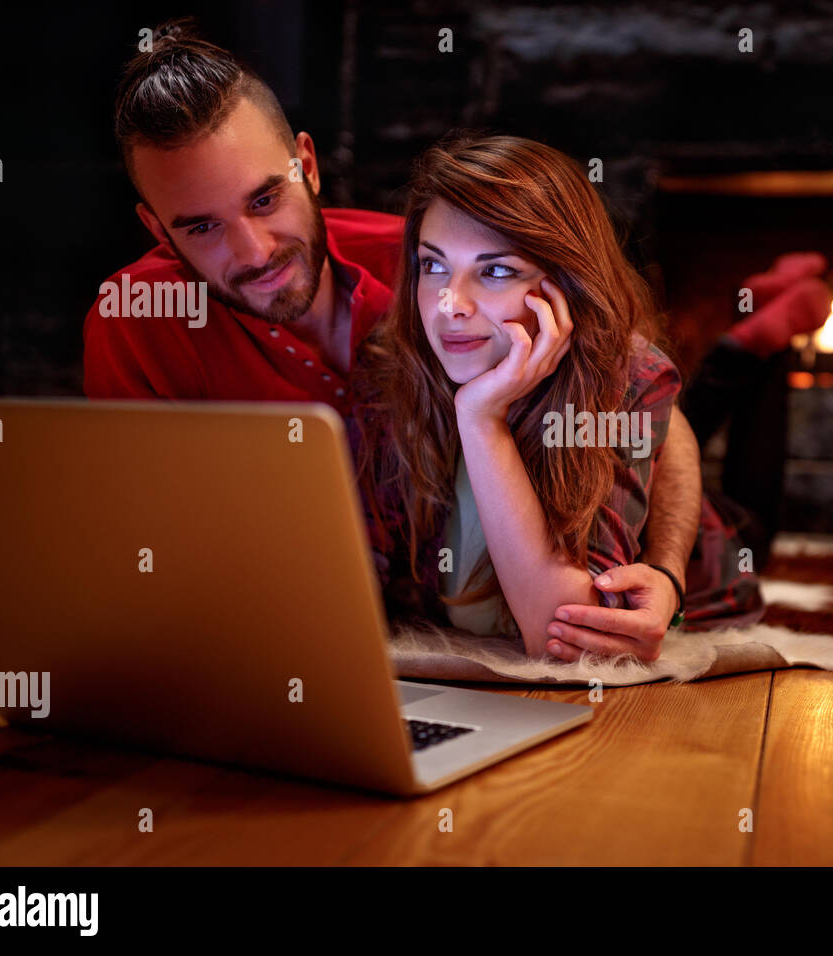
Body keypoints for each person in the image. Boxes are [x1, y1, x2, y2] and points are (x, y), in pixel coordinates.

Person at [82, 19, 701, 659]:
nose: (255, 251)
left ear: (307, 165)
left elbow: (634, 381)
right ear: (157, 228)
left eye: (265, 200)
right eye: (202, 227)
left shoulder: (424, 257)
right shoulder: (136, 318)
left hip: (602, 542)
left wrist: (666, 569)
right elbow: (148, 550)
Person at [350, 134, 767, 662]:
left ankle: (757, 349)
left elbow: (565, 638)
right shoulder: (389, 367)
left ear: (565, 284)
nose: (450, 304)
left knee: (753, 510)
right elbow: (355, 582)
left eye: (495, 270)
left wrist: (480, 418)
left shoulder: (627, 375)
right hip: (654, 442)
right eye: (433, 265)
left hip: (717, 558)